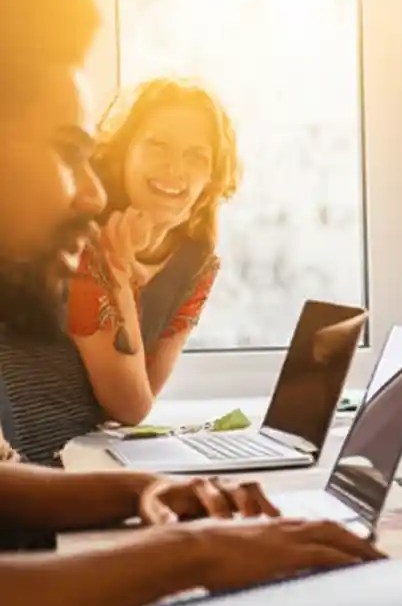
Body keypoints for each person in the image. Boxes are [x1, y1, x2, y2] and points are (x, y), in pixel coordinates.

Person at [0, 0, 379, 606]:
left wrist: (146, 490)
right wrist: (191, 552)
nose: (90, 191)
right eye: (62, 150)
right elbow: (130, 400)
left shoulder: (196, 256)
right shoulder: (95, 245)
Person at [0, 77, 236, 466]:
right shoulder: (83, 237)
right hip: (28, 455)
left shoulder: (197, 263)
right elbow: (130, 405)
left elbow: (146, 386)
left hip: (91, 451)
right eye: (157, 146)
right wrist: (120, 276)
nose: (175, 167)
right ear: (125, 153)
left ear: (211, 178)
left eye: (196, 155)